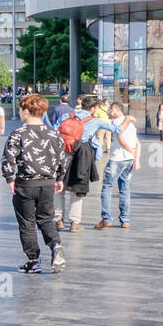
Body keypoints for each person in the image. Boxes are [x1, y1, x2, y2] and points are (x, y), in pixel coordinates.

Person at [1, 94, 66, 273]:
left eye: (21, 109)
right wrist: (59, 178)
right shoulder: (53, 133)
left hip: (25, 183)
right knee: (46, 218)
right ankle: (55, 246)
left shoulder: (18, 134)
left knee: (27, 222)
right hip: (47, 183)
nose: (20, 112)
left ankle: (33, 260)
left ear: (27, 111)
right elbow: (61, 159)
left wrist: (10, 178)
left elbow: (8, 158)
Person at [60, 98, 117, 232]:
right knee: (78, 189)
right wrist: (126, 120)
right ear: (93, 108)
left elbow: (53, 129)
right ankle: (74, 223)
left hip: (62, 154)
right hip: (81, 157)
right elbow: (116, 129)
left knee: (59, 188)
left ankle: (58, 220)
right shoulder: (95, 121)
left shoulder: (67, 116)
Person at [95, 102, 140, 229]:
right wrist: (135, 157)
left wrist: (129, 151)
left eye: (110, 109)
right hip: (129, 160)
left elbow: (121, 138)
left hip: (117, 158)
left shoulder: (116, 122)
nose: (108, 111)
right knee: (125, 189)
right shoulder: (130, 123)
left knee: (107, 187)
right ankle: (125, 220)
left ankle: (106, 218)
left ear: (116, 109)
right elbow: (137, 142)